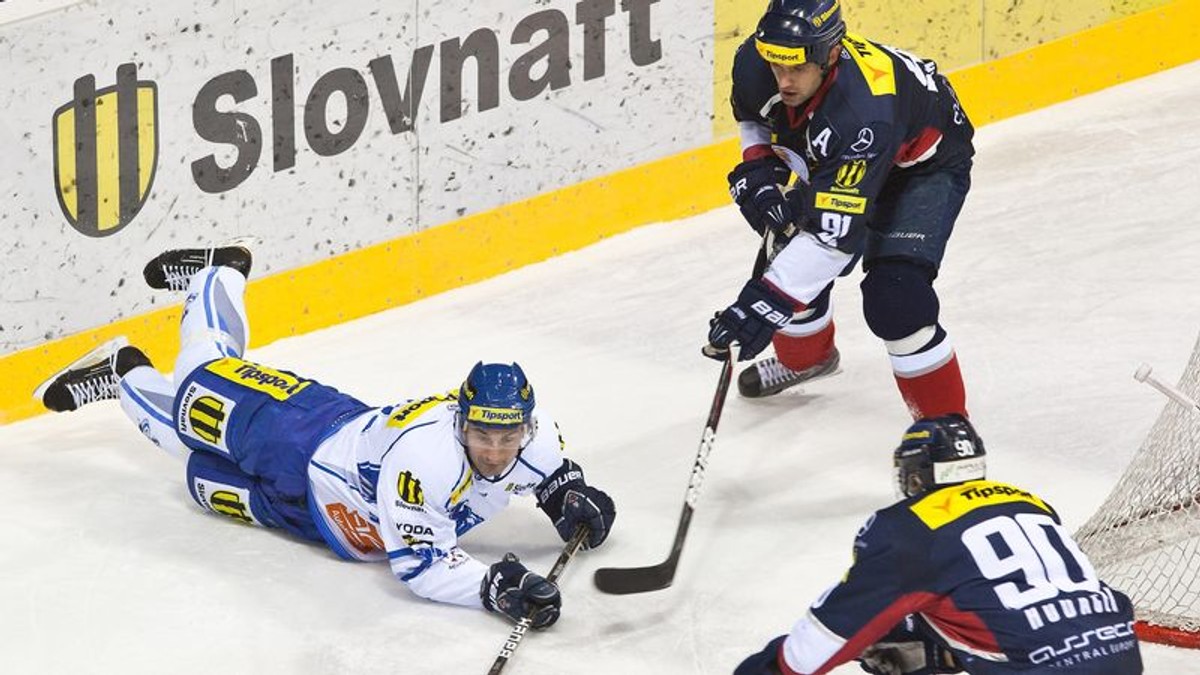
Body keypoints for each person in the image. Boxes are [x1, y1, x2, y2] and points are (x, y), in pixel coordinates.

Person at [37, 245, 616, 629]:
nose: (494, 451)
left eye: (506, 437)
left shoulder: (532, 447)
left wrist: (572, 499)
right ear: (460, 423)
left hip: (321, 524)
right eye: (481, 435)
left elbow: (556, 480)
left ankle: (122, 370)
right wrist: (498, 588)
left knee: (187, 461)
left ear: (526, 429)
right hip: (298, 432)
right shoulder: (424, 457)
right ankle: (220, 273)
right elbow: (421, 566)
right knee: (195, 387)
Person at [706, 0, 974, 420]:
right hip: (849, 153)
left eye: (797, 69)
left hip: (921, 169)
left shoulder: (864, 113)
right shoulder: (759, 60)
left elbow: (834, 238)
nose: (784, 80)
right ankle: (808, 361)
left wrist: (764, 299)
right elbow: (755, 116)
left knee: (896, 300)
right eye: (777, 67)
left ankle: (949, 431)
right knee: (786, 252)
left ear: (831, 55)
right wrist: (762, 171)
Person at [735, 416, 1143, 674]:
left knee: (885, 622)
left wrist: (773, 667)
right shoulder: (1028, 501)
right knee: (930, 613)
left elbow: (832, 633)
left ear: (915, 477)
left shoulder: (909, 526)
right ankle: (942, 654)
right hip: (1123, 654)